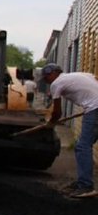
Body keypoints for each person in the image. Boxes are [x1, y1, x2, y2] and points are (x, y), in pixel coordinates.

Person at [40, 64, 98, 198]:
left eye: (46, 78)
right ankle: (82, 182)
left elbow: (57, 112)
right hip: (94, 107)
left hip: (95, 108)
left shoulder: (56, 84)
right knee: (84, 145)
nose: (47, 81)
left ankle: (86, 186)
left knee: (82, 146)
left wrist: (51, 123)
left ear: (52, 73)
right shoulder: (80, 74)